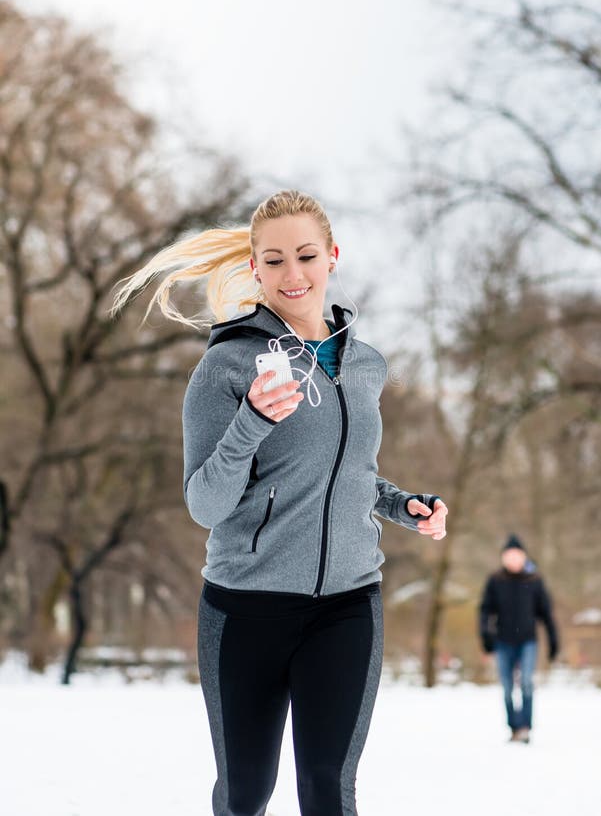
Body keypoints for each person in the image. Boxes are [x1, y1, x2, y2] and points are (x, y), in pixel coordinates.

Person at [111, 189, 449, 815]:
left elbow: (349, 477)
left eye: (305, 256)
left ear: (332, 258)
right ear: (254, 268)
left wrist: (405, 506)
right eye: (274, 260)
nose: (292, 274)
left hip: (348, 607)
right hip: (246, 611)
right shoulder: (226, 367)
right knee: (245, 796)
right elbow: (205, 503)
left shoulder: (365, 365)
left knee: (328, 789)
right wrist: (252, 421)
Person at [479, 533, 559, 744]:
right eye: (509, 555)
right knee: (506, 686)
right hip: (503, 641)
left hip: (527, 641)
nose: (513, 559)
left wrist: (553, 640)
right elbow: (485, 611)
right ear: (504, 558)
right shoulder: (495, 580)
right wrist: (486, 637)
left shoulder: (534, 580)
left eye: (517, 555)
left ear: (523, 557)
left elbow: (546, 613)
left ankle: (525, 727)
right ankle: (513, 727)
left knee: (525, 683)